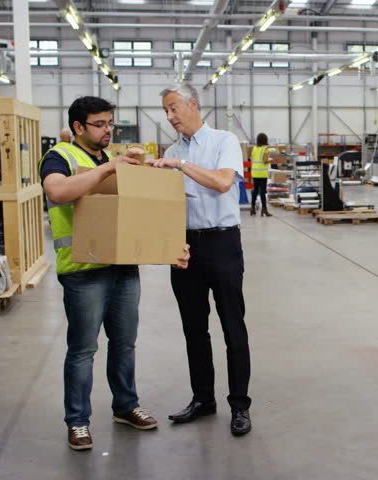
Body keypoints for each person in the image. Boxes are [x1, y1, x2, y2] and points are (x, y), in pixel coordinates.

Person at [39, 96, 190, 451]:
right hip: (83, 271)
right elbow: (58, 191)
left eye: (110, 123)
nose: (109, 130)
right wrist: (109, 169)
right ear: (79, 127)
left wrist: (167, 247)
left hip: (122, 268)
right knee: (83, 349)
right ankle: (77, 421)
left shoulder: (109, 159)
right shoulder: (61, 156)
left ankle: (125, 405)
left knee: (124, 344)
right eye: (100, 124)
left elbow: (136, 214)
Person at [148, 83, 252, 436]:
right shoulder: (171, 151)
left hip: (222, 244)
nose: (170, 116)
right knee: (194, 329)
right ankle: (203, 399)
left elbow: (223, 183)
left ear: (193, 105)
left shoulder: (224, 141)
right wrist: (170, 246)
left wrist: (180, 164)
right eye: (165, 110)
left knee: (232, 327)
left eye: (174, 108)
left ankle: (239, 405)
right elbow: (166, 208)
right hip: (186, 248)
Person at [249, 133, 272, 217]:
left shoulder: (254, 148)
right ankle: (264, 209)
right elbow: (265, 160)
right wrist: (271, 160)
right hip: (262, 173)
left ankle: (252, 208)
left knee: (255, 191)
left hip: (255, 172)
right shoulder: (265, 149)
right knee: (262, 192)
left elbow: (252, 159)